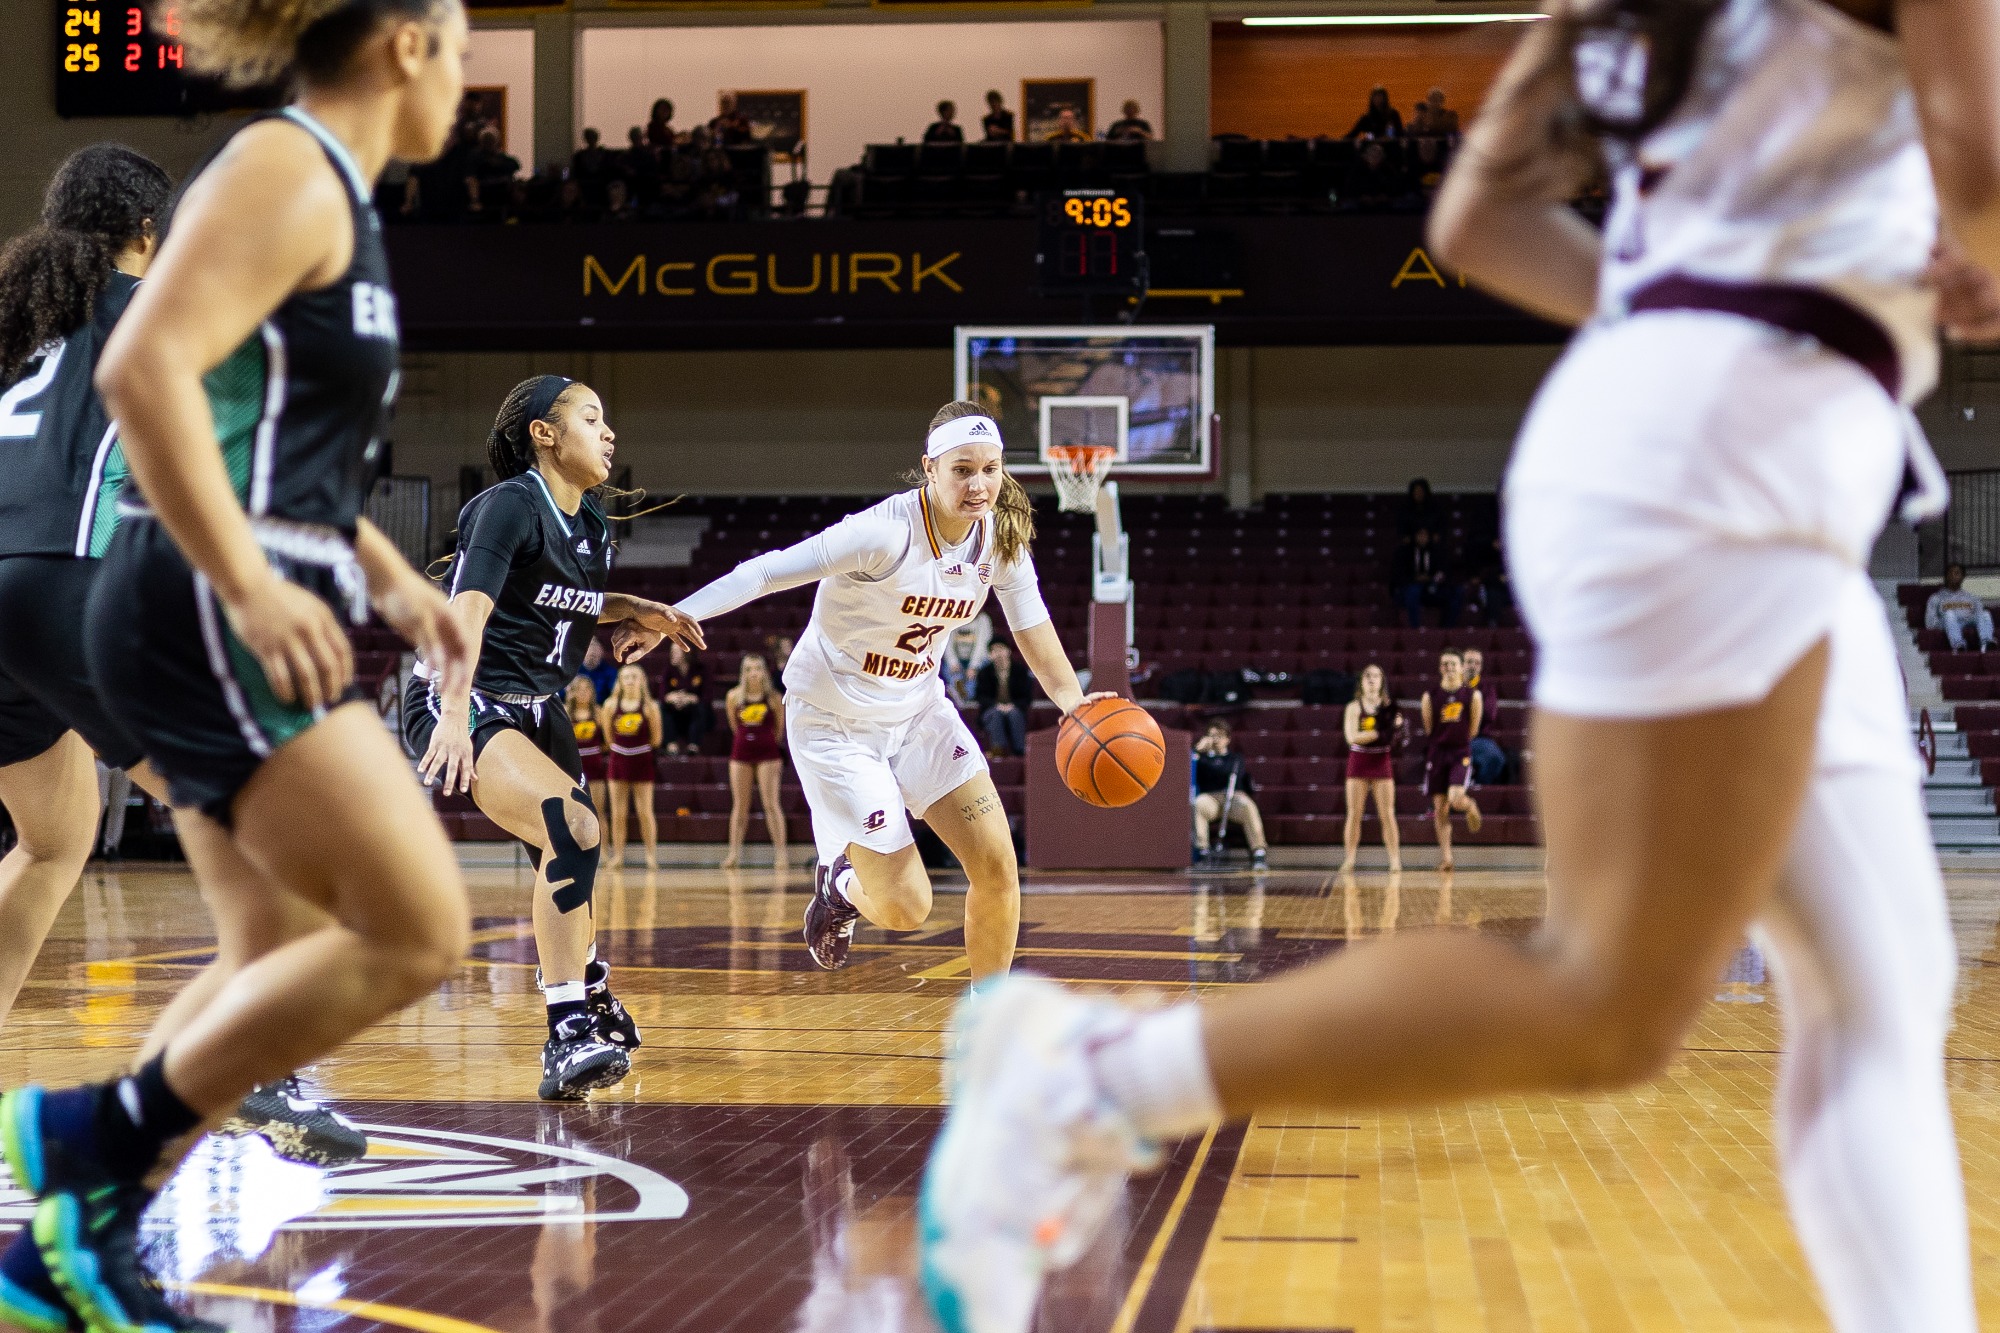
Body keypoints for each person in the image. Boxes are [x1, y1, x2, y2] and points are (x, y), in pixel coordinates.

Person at [919, 3, 1987, 1331]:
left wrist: (1709, 305)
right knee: (1607, 998)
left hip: (1702, 425)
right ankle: (1094, 1073)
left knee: (1883, 980)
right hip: (1726, 457)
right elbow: (1984, 182)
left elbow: (1479, 223)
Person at [0, 4, 486, 1329]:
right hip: (192, 608)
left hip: (205, 596)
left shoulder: (345, 207)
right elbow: (146, 371)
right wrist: (250, 579)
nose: (471, 73)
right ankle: (85, 1138)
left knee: (266, 947)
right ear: (404, 42)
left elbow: (271, 450)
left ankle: (73, 1249)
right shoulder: (287, 166)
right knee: (416, 924)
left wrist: (394, 582)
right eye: (463, 41)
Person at [638, 401, 1108, 979]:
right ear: (929, 469)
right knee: (908, 908)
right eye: (962, 469)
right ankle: (839, 885)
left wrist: (1074, 706)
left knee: (997, 866)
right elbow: (763, 573)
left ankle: (993, 1024)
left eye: (991, 469)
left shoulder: (1000, 539)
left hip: (918, 711)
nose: (980, 484)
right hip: (834, 723)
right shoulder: (881, 535)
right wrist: (668, 617)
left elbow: (1031, 626)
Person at [403, 375, 701, 1100]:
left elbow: (575, 602)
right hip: (467, 696)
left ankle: (589, 987)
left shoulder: (592, 524)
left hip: (538, 706)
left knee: (569, 852)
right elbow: (464, 616)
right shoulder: (508, 506)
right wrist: (450, 714)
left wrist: (641, 609)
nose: (609, 433)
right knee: (574, 826)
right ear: (544, 433)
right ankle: (567, 1030)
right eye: (591, 417)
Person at [723, 653, 787, 870]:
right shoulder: (733, 697)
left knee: (771, 804)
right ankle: (733, 854)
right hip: (741, 753)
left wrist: (765, 741)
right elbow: (734, 724)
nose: (753, 673)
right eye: (749, 669)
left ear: (764, 672)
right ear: (743, 672)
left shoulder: (773, 698)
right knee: (739, 805)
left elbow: (779, 728)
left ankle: (780, 854)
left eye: (757, 668)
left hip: (768, 754)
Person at [1421, 648, 1484, 869]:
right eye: (1445, 664)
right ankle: (1447, 857)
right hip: (1437, 753)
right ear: (1440, 668)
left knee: (1456, 798)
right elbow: (1429, 728)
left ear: (1461, 667)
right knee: (1440, 808)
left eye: (1453, 664)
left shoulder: (1472, 695)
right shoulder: (1430, 696)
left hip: (1459, 752)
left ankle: (1470, 806)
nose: (1449, 668)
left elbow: (1473, 729)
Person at [1340, 664, 1404, 874]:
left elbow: (1397, 734)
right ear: (1361, 680)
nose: (1371, 679)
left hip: (1381, 760)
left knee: (1387, 814)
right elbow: (1352, 738)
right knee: (1354, 814)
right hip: (1358, 761)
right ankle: (1349, 859)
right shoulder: (1353, 707)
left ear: (1382, 681)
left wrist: (1394, 730)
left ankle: (1395, 859)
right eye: (1367, 675)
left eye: (1376, 676)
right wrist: (1380, 732)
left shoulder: (1389, 705)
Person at [601, 663, 662, 872]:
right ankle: (618, 855)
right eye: (626, 677)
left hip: (642, 759)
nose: (630, 681)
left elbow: (656, 739)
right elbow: (608, 737)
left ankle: (651, 856)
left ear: (641, 680)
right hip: (618, 760)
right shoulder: (610, 705)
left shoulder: (650, 706)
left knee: (645, 811)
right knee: (618, 812)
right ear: (620, 681)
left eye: (634, 676)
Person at [1190, 719, 1267, 866]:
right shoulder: (1200, 758)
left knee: (1248, 807)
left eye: (1219, 736)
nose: (1215, 740)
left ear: (1227, 739)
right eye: (1211, 735)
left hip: (1232, 798)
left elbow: (1231, 774)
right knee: (1198, 804)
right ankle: (1203, 850)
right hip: (1210, 798)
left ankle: (1258, 851)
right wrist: (1197, 751)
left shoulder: (1235, 758)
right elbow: (1188, 771)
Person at [1392, 526, 1459, 627]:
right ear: (1415, 536)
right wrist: (1415, 579)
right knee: (1413, 591)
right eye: (1420, 535)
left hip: (1432, 586)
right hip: (1411, 585)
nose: (1422, 537)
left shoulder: (1437, 551)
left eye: (1425, 535)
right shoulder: (1404, 552)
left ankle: (1447, 628)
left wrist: (1432, 579)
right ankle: (1415, 629)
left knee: (1455, 593)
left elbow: (1443, 571)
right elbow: (1399, 575)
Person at [975, 640, 1032, 757]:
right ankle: (998, 750)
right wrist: (997, 705)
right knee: (996, 714)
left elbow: (1027, 697)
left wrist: (1012, 705)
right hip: (992, 709)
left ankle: (1020, 750)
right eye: (994, 650)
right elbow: (981, 697)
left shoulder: (1020, 670)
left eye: (1001, 649)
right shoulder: (984, 672)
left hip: (1015, 707)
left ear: (1008, 651)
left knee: (1014, 714)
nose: (998, 653)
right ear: (990, 655)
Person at [1463, 648, 1508, 785]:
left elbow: (1489, 715)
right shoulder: (1451, 685)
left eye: (1477, 663)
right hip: (1452, 738)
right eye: (1469, 662)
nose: (1473, 666)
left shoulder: (1487, 689)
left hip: (1479, 739)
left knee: (1495, 758)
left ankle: (1478, 785)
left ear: (1481, 667)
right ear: (1462, 664)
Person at [1926, 562, 1994, 651]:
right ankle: (1958, 645)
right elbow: (1930, 623)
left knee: (1985, 614)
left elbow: (1979, 614)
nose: (1954, 576)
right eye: (1951, 573)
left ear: (1962, 577)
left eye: (1957, 573)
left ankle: (1986, 643)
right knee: (1949, 614)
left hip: (1967, 622)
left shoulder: (1971, 597)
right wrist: (1946, 624)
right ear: (1946, 576)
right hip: (1947, 623)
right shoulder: (1936, 598)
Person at [568, 674, 609, 814]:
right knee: (574, 814)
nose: (583, 692)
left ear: (592, 692)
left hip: (595, 766)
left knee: (598, 813)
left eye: (587, 689)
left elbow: (607, 741)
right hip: (572, 768)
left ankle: (603, 837)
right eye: (579, 689)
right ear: (572, 692)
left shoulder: (598, 712)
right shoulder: (565, 712)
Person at [659, 639, 709, 753]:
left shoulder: (702, 669)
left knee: (700, 708)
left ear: (687, 652)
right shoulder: (668, 670)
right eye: (671, 651)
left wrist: (691, 698)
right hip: (676, 713)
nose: (672, 654)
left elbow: (707, 696)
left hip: (695, 712)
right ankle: (671, 744)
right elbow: (662, 695)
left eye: (676, 651)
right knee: (663, 707)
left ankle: (694, 745)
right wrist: (672, 697)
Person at [580, 632, 618, 701]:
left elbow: (614, 696)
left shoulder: (611, 672)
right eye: (589, 646)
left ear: (602, 651)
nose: (592, 650)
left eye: (595, 646)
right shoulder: (571, 670)